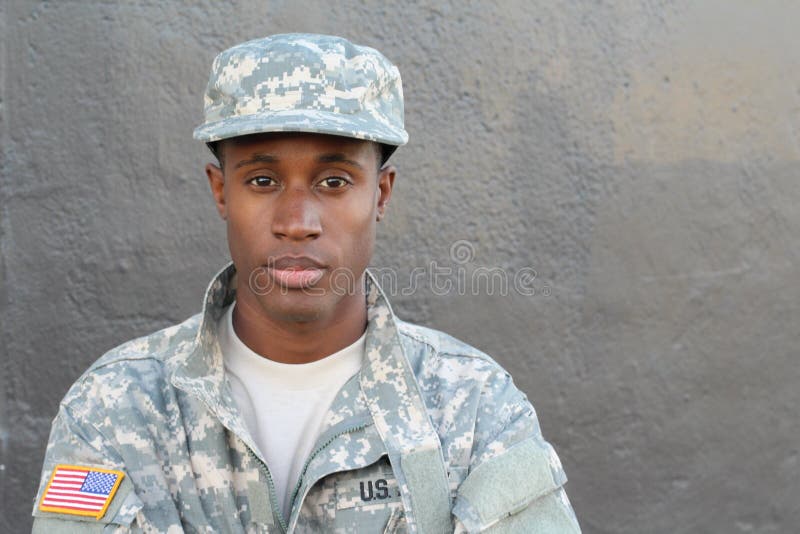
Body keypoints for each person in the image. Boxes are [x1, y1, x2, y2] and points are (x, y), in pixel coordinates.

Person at [32, 33, 581, 533]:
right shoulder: (115, 407)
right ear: (221, 192)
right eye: (263, 180)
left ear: (381, 195)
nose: (297, 220)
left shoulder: (473, 407)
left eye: (334, 181)